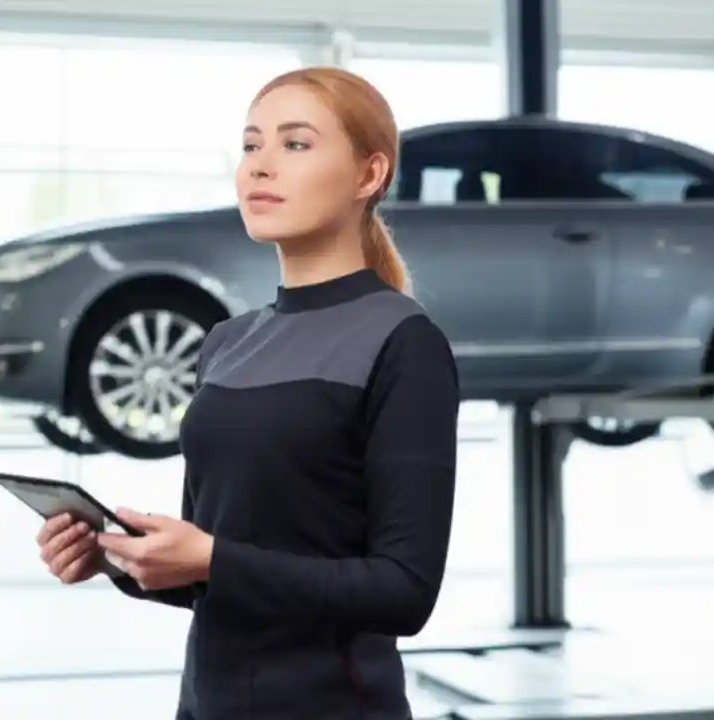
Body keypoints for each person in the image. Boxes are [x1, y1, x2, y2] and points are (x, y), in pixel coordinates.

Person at [35, 66, 460, 719]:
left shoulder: (405, 342)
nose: (260, 167)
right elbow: (215, 569)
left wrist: (210, 557)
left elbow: (404, 592)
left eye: (294, 145)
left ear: (368, 176)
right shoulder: (226, 344)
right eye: (251, 144)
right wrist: (121, 559)